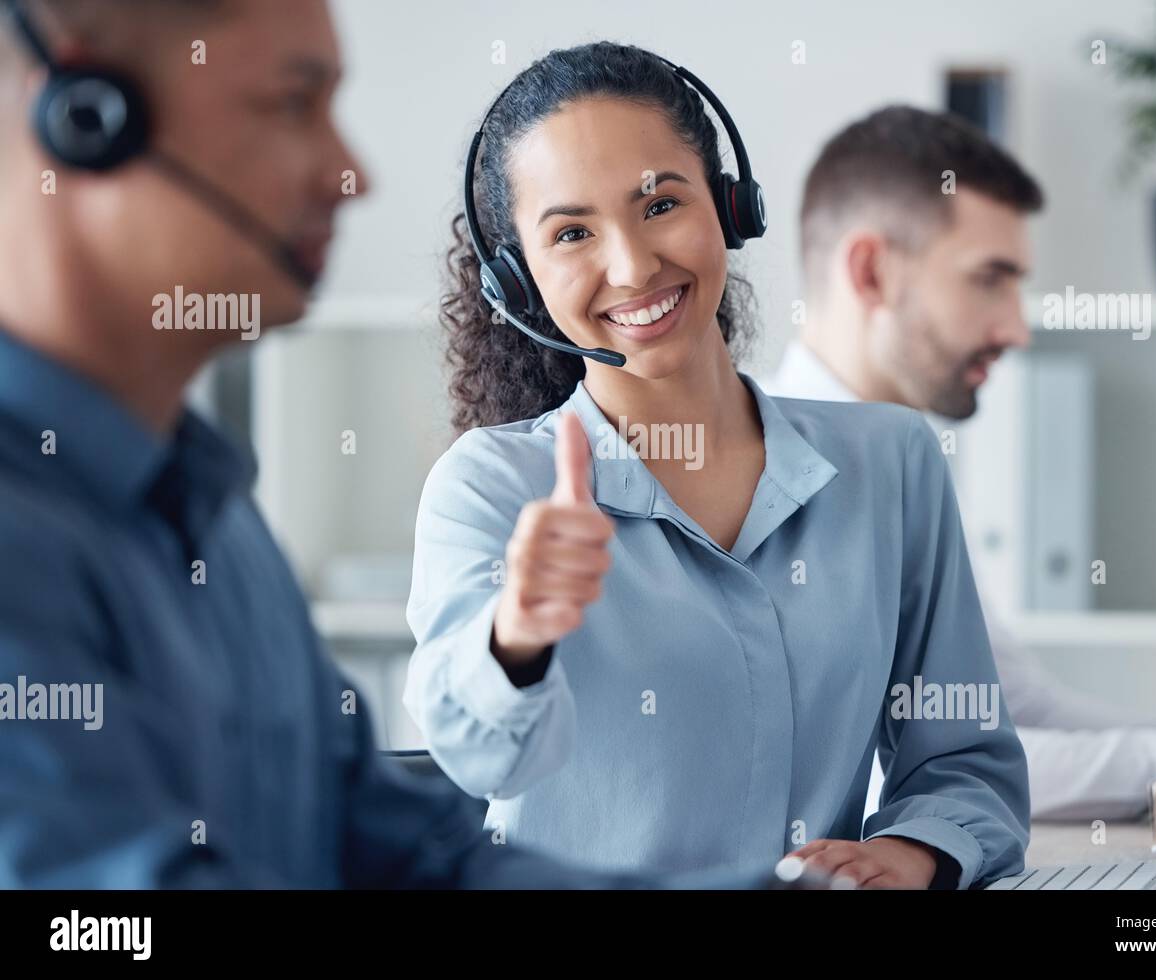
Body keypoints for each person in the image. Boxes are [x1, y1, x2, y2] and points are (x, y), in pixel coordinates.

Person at [0, 0, 756, 890]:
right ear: (89, 118)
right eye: (293, 103)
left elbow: (414, 860)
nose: (351, 174)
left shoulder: (215, 518)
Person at [404, 41, 1029, 889]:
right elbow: (476, 759)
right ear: (518, 282)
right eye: (573, 232)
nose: (631, 266)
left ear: (731, 207)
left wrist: (910, 854)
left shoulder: (893, 463)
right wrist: (516, 635)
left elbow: (967, 762)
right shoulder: (489, 488)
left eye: (660, 205)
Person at [761, 105, 1156, 821]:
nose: (1016, 328)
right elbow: (888, 770)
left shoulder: (901, 463)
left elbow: (1012, 703)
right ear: (870, 272)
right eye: (989, 279)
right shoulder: (768, 474)